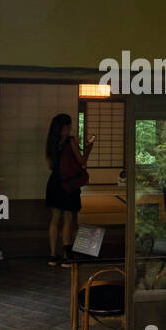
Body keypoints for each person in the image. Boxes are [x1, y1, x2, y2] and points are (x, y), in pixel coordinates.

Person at [45, 113, 95, 266]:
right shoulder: (70, 141)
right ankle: (67, 257)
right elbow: (82, 161)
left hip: (54, 182)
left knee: (54, 219)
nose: (71, 128)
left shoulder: (51, 142)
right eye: (70, 125)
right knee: (68, 219)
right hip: (68, 184)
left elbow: (50, 165)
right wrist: (88, 149)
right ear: (65, 127)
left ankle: (53, 256)